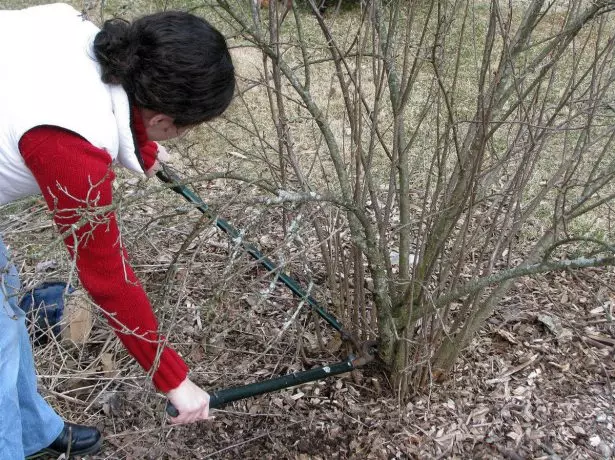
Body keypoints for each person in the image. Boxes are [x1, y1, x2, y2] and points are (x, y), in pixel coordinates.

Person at [0, 3, 235, 458]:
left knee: (7, 302)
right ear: (165, 119)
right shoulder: (67, 139)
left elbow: (117, 110)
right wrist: (174, 380)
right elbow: (107, 279)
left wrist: (142, 148)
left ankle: (30, 432)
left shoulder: (83, 34)